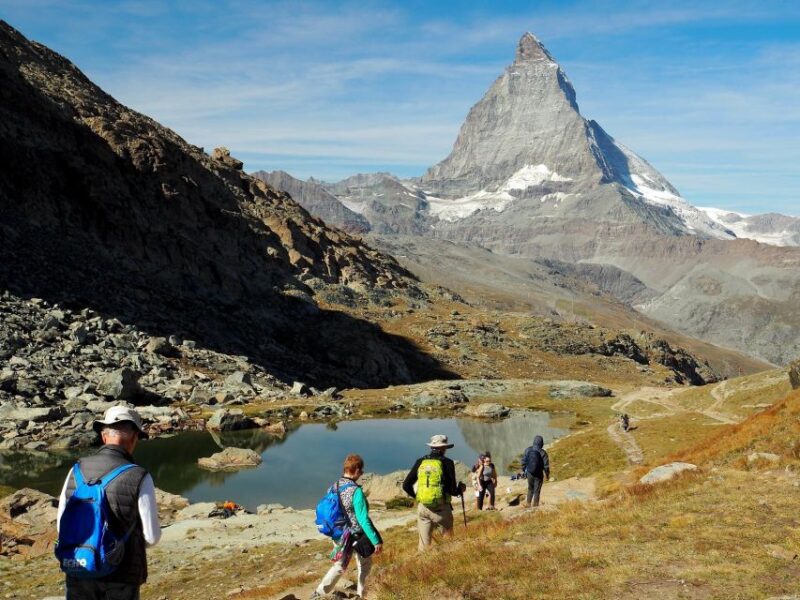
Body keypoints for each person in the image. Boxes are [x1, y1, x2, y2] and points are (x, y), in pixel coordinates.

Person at [57, 405, 161, 600]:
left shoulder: (76, 470)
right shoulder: (139, 475)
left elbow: (61, 525)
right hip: (122, 575)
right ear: (133, 438)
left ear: (104, 437)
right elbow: (152, 537)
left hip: (79, 568)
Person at [312, 454, 382, 600]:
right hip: (356, 535)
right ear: (356, 470)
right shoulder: (356, 491)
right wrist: (375, 540)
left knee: (339, 565)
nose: (361, 473)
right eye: (361, 471)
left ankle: (319, 592)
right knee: (365, 565)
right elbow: (363, 519)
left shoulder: (334, 486)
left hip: (339, 534)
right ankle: (361, 595)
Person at [402, 434, 466, 551]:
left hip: (423, 508)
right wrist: (460, 489)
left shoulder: (421, 461)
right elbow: (452, 490)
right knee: (448, 544)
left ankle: (423, 561)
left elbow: (406, 485)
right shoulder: (447, 462)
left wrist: (419, 497)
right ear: (443, 448)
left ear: (432, 447)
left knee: (423, 546)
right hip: (441, 509)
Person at [521, 435, 550, 508]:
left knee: (530, 488)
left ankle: (528, 504)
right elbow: (546, 466)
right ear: (541, 443)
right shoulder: (543, 452)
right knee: (537, 491)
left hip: (529, 473)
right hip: (539, 474)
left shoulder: (528, 450)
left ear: (534, 442)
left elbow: (523, 462)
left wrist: (525, 471)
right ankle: (535, 506)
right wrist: (547, 475)